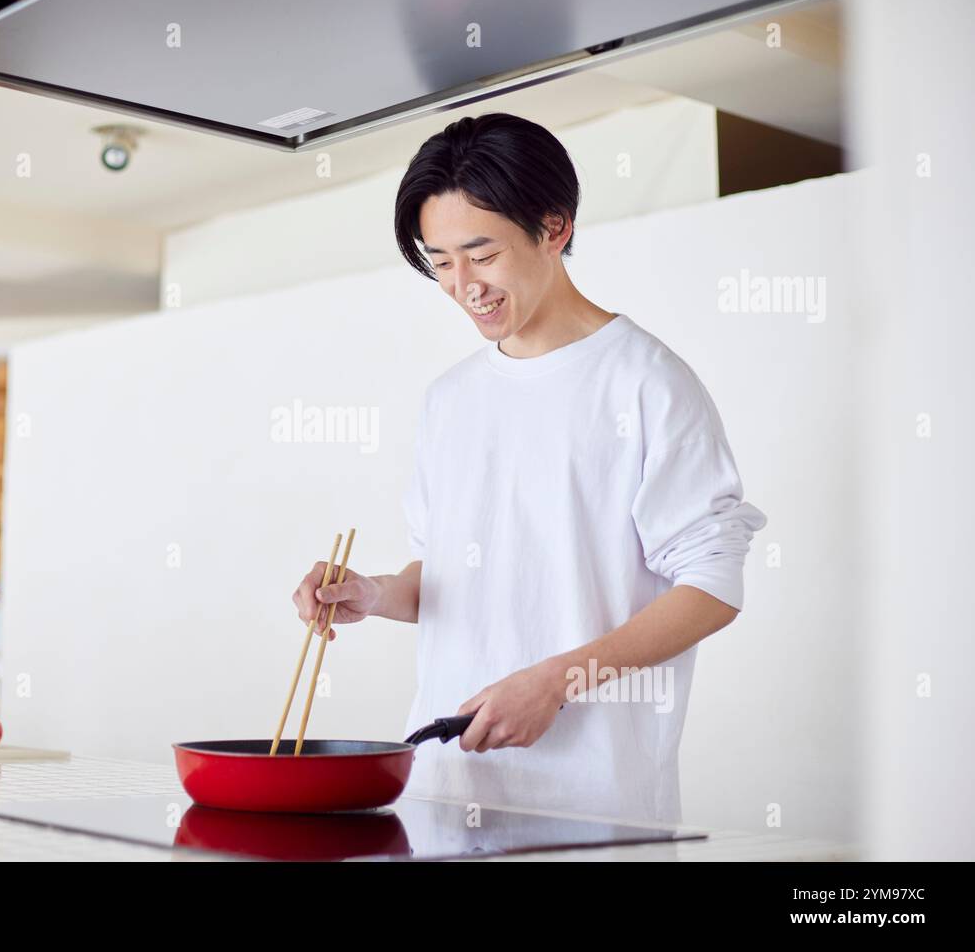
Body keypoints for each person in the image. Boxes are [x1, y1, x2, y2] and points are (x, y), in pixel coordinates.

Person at [291, 112, 767, 825]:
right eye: (440, 261)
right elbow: (451, 572)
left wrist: (558, 682)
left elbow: (713, 587)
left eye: (481, 254)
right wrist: (375, 592)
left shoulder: (646, 383)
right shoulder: (449, 399)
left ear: (554, 227)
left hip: (592, 810)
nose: (463, 284)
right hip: (443, 794)